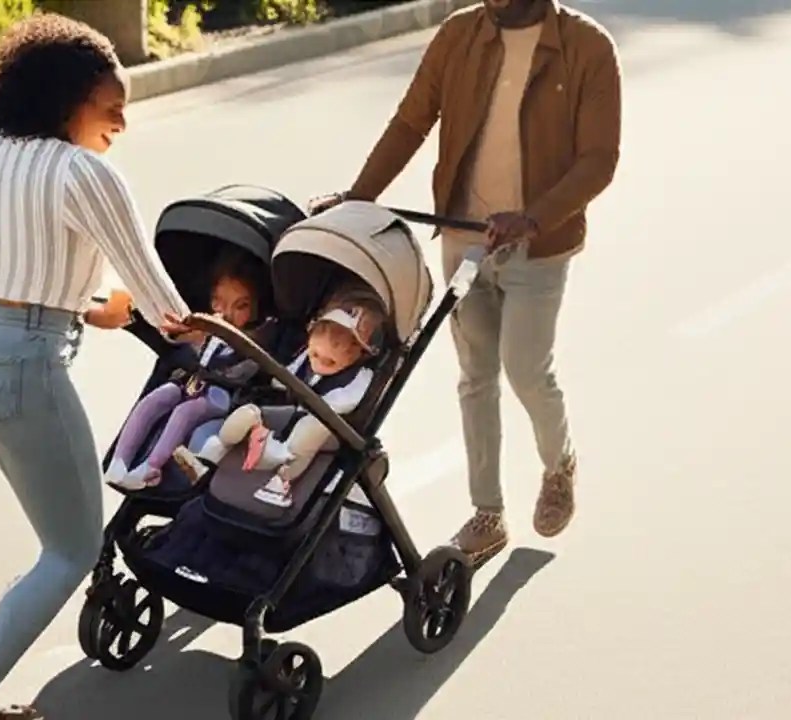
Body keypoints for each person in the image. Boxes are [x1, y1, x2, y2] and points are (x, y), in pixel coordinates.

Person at [0, 13, 192, 720]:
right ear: (68, 102)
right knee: (71, 550)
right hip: (23, 369)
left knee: (54, 543)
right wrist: (203, 320)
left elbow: (39, 272)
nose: (121, 126)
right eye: (112, 110)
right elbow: (165, 303)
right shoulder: (86, 171)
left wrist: (97, 306)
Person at [309, 0, 621, 566]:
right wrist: (357, 199)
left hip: (539, 244)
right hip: (465, 235)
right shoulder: (460, 35)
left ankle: (560, 463)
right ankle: (488, 514)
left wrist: (534, 216)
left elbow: (598, 160)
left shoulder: (586, 47)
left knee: (527, 368)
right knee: (475, 376)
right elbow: (410, 122)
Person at [174, 285, 384, 508]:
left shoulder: (360, 378)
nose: (326, 354)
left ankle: (281, 481)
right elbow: (282, 378)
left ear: (360, 354)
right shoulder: (302, 357)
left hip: (324, 426)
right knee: (247, 414)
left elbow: (343, 404)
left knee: (312, 428)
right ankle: (211, 455)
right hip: (288, 413)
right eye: (319, 346)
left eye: (334, 358)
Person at [106, 248, 270, 491]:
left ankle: (152, 467)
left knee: (185, 411)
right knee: (157, 398)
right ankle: (120, 461)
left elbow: (244, 371)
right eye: (219, 302)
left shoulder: (252, 342)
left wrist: (210, 365)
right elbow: (179, 344)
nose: (227, 313)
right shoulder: (206, 330)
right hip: (192, 383)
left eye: (240, 305)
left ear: (255, 309)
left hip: (219, 395)